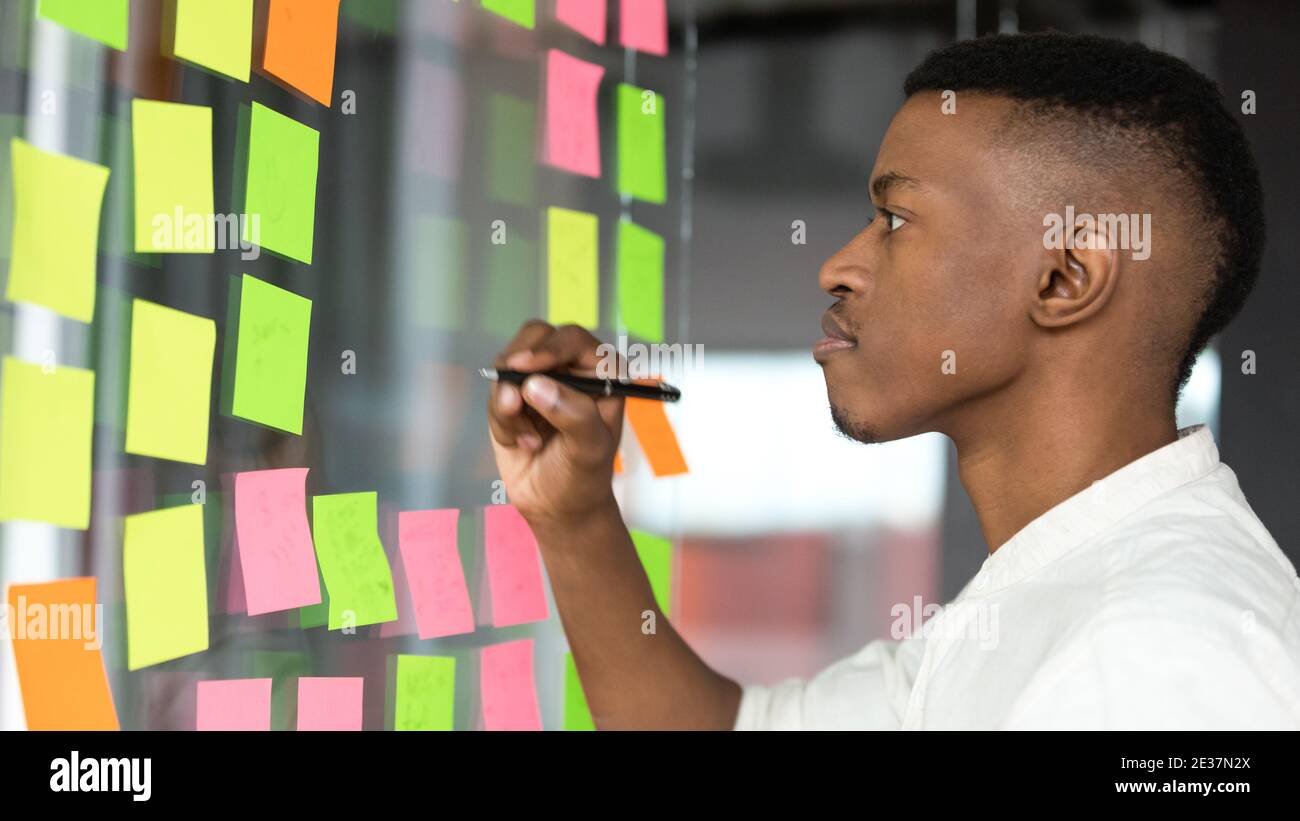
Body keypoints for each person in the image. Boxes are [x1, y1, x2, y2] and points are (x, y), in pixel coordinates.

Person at [485, 32, 1300, 729]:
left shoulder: (1164, 649)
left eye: (896, 219)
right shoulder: (1049, 595)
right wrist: (575, 514)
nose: (838, 265)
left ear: (1064, 278)